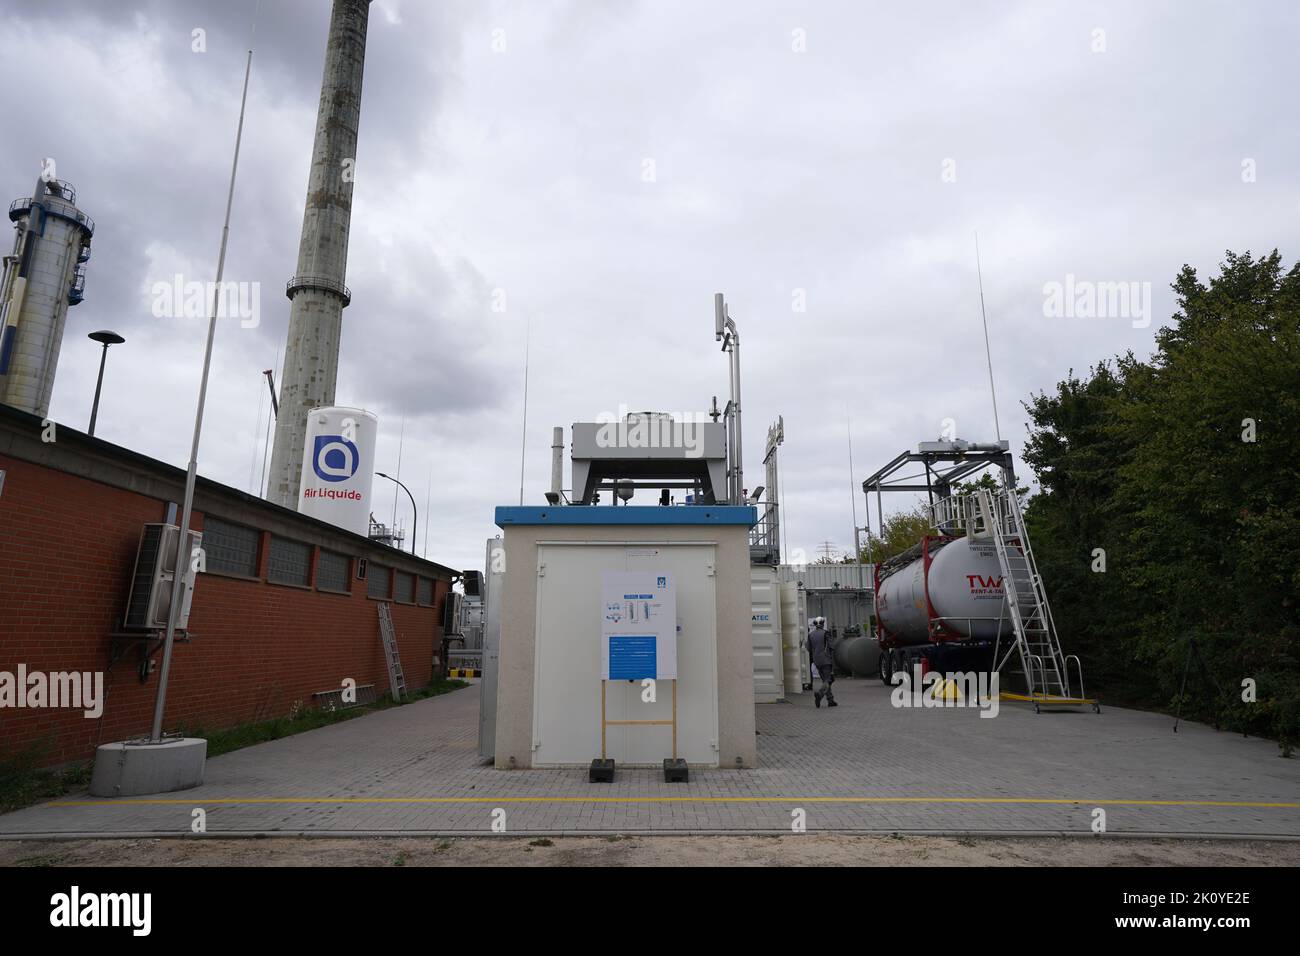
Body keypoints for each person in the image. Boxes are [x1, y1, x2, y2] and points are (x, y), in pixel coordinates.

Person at [807, 616, 837, 708]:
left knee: (825, 680)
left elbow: (808, 648)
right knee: (829, 680)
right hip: (826, 659)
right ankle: (820, 694)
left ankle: (830, 700)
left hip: (817, 661)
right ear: (823, 624)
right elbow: (832, 646)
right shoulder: (826, 633)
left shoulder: (810, 635)